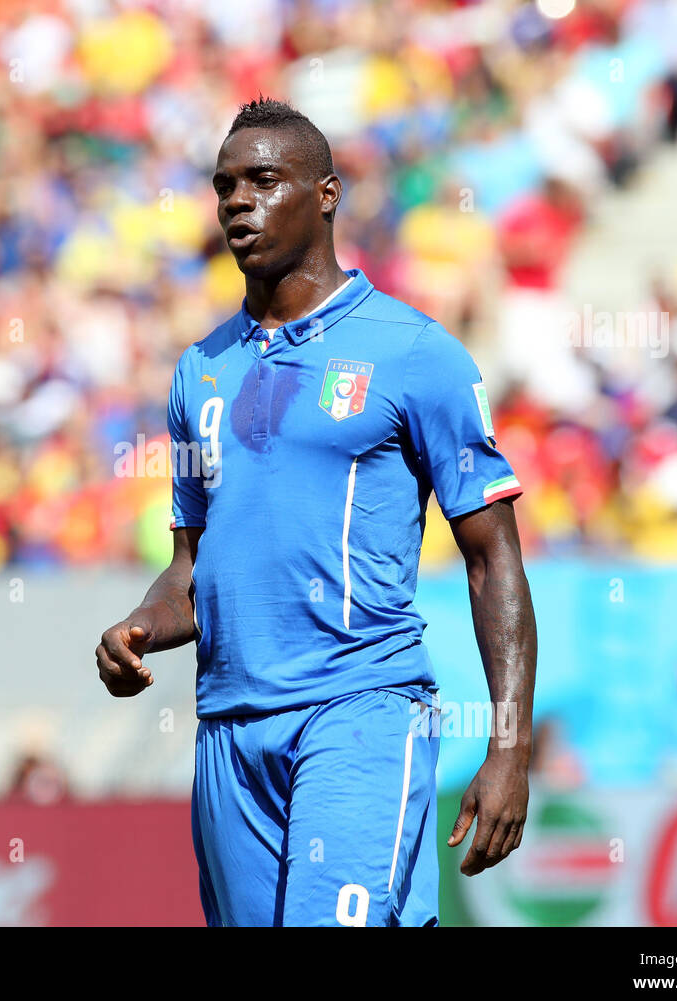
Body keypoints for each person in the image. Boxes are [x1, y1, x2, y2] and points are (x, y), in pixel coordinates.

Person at [95, 97, 538, 927]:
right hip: (229, 734)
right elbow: (192, 568)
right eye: (224, 185)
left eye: (263, 180)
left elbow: (492, 557)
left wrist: (509, 746)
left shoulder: (414, 353)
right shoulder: (200, 372)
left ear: (327, 194)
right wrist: (142, 627)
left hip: (359, 712)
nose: (238, 201)